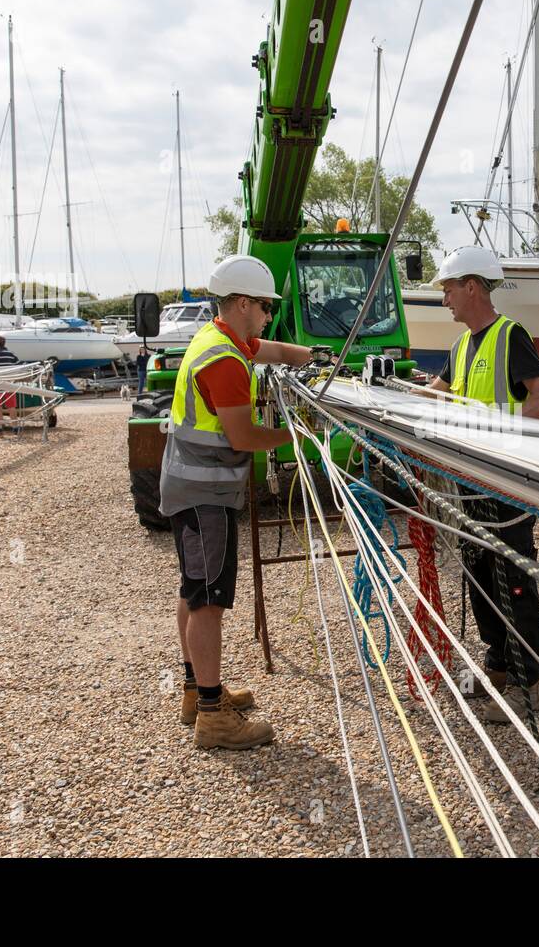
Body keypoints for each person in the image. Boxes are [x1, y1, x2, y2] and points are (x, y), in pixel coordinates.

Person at [160, 254, 312, 750]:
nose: (268, 315)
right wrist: (297, 437)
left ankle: (195, 689)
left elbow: (260, 346)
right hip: (205, 492)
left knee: (192, 588)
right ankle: (213, 716)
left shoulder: (219, 338)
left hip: (189, 484)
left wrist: (300, 355)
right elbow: (244, 437)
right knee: (208, 599)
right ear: (244, 302)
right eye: (265, 306)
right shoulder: (224, 360)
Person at [427, 247, 539, 723]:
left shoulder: (510, 336)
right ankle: (499, 664)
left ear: (472, 287)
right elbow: (435, 397)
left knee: (513, 575)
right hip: (471, 480)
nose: (444, 300)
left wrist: (496, 433)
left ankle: (530, 685)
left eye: (447, 289)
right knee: (479, 570)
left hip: (506, 480)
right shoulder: (461, 346)